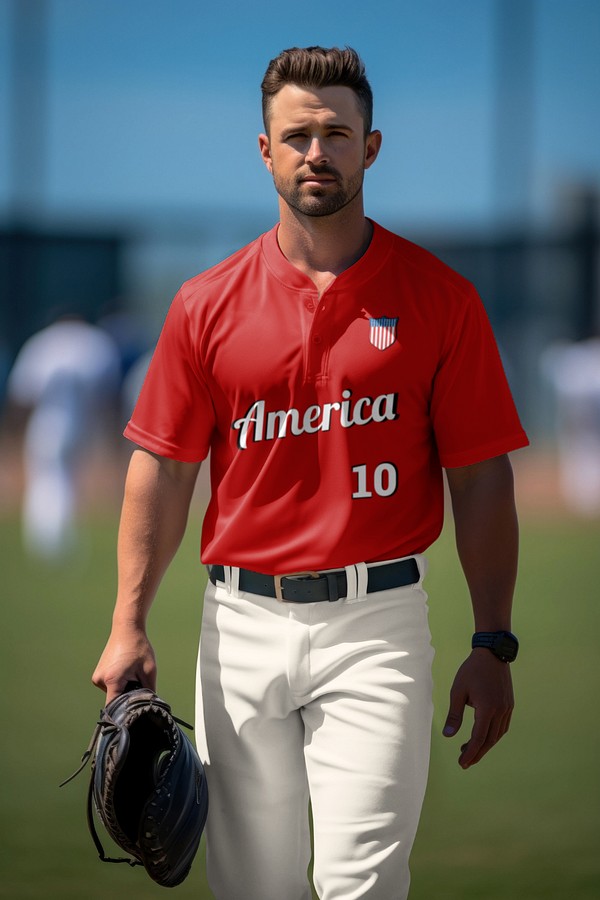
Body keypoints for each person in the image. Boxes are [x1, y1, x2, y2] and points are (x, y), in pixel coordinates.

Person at [93, 46, 529, 900]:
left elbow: (481, 478)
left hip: (379, 628)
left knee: (358, 883)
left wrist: (493, 640)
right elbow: (165, 470)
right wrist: (127, 621)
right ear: (265, 151)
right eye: (297, 135)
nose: (317, 152)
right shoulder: (204, 303)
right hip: (242, 627)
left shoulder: (441, 298)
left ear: (372, 146)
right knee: (253, 888)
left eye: (337, 132)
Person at [7, 314, 121, 560]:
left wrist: (13, 430)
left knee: (46, 479)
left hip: (46, 421)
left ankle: (48, 542)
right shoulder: (95, 343)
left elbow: (22, 394)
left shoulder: (42, 343)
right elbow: (108, 395)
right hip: (81, 422)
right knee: (68, 479)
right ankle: (61, 539)